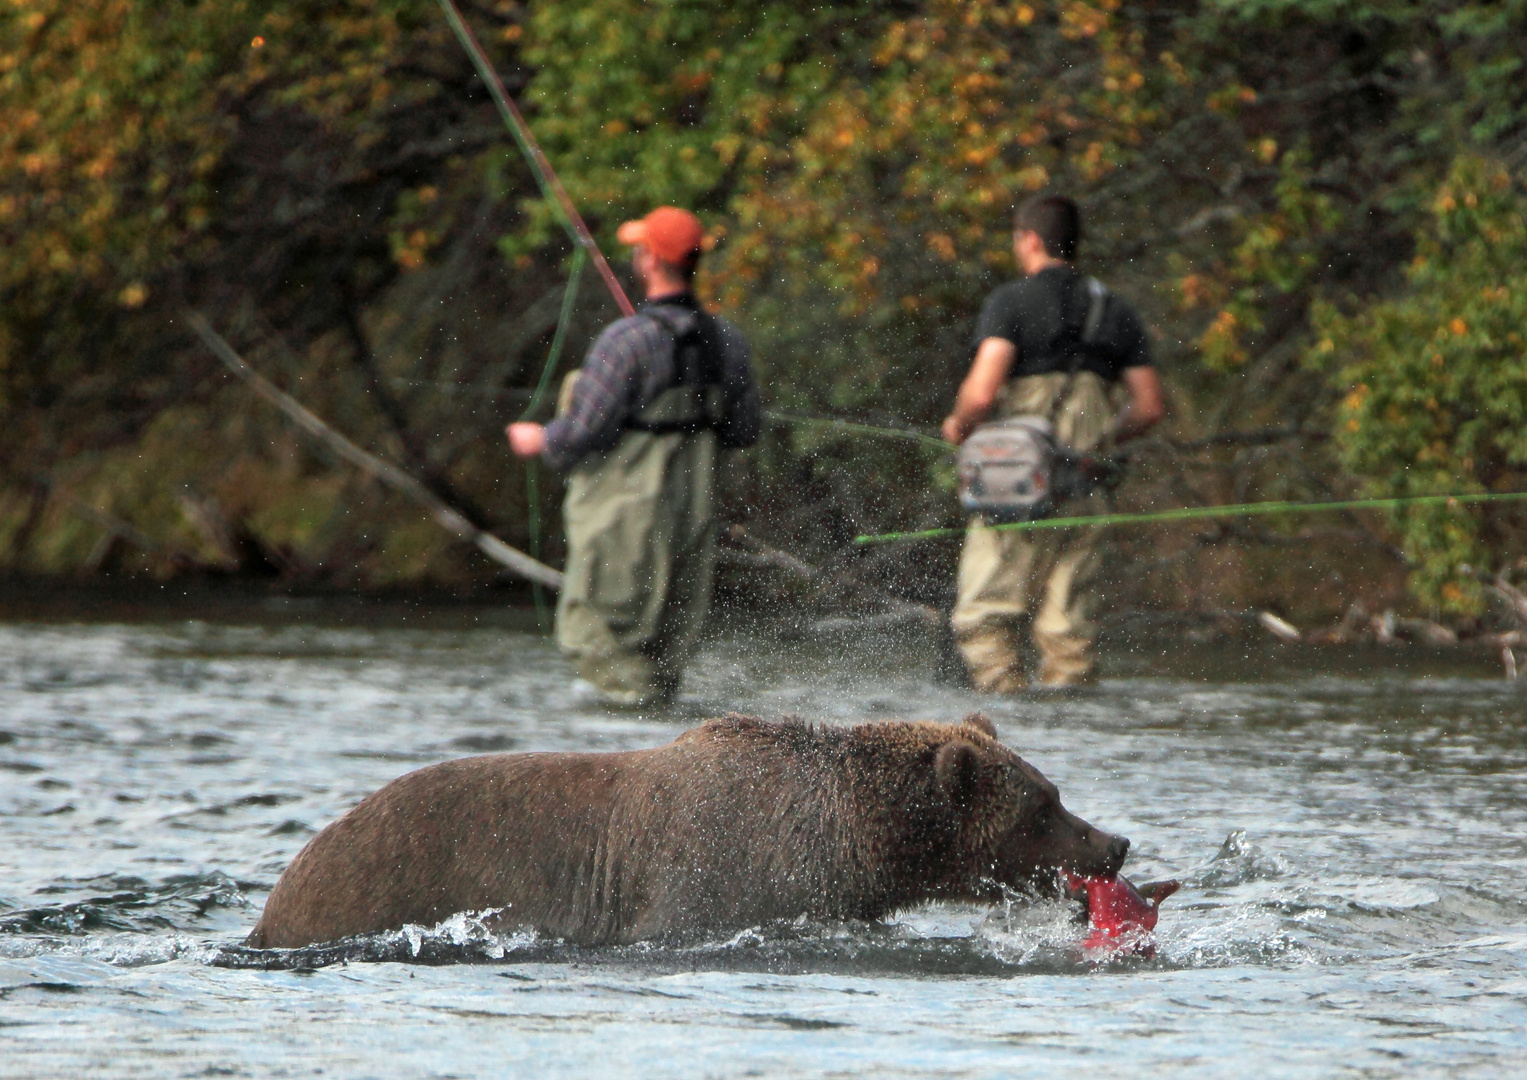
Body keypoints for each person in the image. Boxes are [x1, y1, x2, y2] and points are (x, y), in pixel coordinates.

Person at [507, 207, 761, 707]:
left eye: (639, 249)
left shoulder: (625, 341)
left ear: (649, 260)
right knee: (664, 658)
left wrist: (536, 439)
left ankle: (623, 759)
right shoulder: (728, 342)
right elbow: (744, 430)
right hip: (692, 523)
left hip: (624, 525)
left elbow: (579, 437)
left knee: (600, 643)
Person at [941, 195, 1164, 692]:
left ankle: (1010, 729)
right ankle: (1071, 741)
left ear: (1030, 240)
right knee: (1068, 632)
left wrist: (958, 426)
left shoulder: (1011, 302)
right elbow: (1150, 406)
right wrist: (1101, 440)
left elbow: (980, 394)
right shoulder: (1115, 309)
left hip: (1013, 490)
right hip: (1085, 487)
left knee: (984, 619)